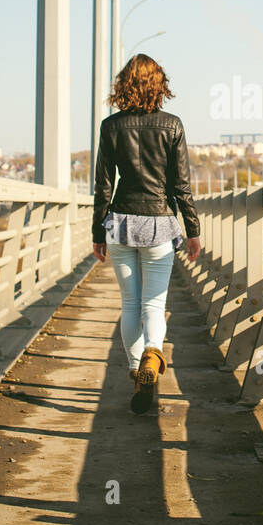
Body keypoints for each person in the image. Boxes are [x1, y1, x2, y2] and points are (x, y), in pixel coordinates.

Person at [92, 53, 201, 414]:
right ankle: (154, 352)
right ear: (160, 86)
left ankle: (136, 367)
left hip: (122, 221)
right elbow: (181, 185)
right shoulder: (172, 125)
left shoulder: (111, 127)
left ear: (123, 86)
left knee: (130, 304)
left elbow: (103, 186)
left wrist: (97, 231)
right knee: (154, 303)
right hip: (159, 222)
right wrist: (192, 230)